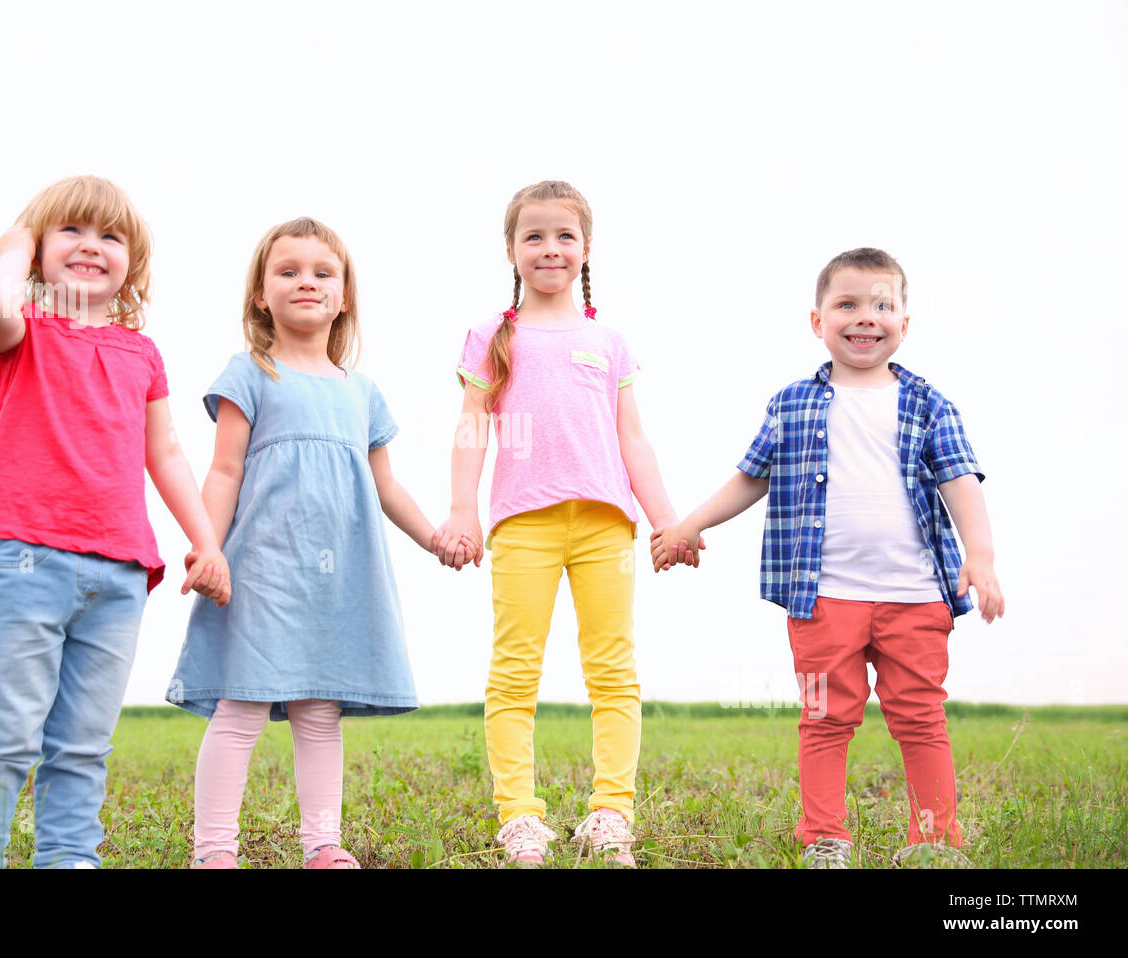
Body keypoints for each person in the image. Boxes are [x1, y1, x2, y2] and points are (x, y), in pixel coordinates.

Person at [652, 247, 1005, 868]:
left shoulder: (928, 404)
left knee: (921, 721)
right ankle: (824, 838)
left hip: (916, 597)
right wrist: (687, 524)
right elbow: (750, 477)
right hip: (821, 600)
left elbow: (961, 482)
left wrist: (980, 555)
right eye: (847, 304)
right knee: (823, 719)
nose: (865, 317)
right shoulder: (792, 402)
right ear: (817, 320)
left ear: (904, 322)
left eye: (882, 305)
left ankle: (935, 843)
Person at [0, 175, 230, 868]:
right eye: (70, 230)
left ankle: (70, 860)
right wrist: (13, 247)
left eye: (110, 235)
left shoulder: (142, 353)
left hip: (119, 570)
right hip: (24, 559)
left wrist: (205, 539)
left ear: (133, 261)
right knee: (6, 735)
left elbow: (166, 452)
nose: (91, 246)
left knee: (83, 744)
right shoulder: (23, 331)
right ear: (37, 248)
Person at [168, 217, 471, 869]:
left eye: (322, 272)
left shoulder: (361, 392)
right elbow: (223, 470)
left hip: (339, 579)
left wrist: (435, 538)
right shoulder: (249, 373)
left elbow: (386, 485)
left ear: (344, 296)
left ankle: (322, 844)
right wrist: (205, 545)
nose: (306, 281)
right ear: (260, 295)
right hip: (261, 571)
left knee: (318, 711)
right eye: (288, 271)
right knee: (241, 702)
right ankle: (213, 850)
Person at [432, 180, 685, 867]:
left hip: (607, 525)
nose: (550, 248)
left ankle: (611, 815)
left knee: (613, 671)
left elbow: (634, 439)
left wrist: (668, 522)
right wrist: (463, 510)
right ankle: (519, 818)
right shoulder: (493, 334)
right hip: (522, 525)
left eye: (564, 235)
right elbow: (472, 425)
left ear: (587, 248)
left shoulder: (610, 342)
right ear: (511, 251)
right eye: (534, 236)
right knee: (515, 672)